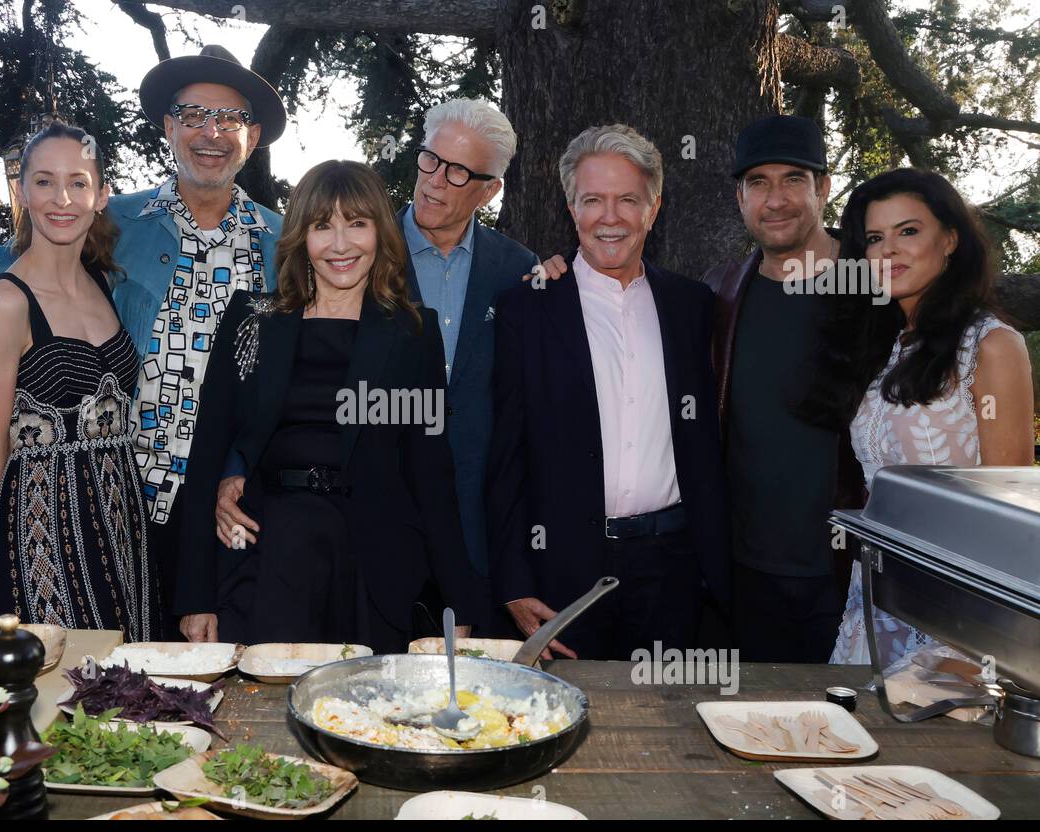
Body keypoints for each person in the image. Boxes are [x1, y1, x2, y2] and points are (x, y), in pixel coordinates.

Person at [0, 46, 287, 633]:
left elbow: (296, 376)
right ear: (169, 127)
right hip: (119, 500)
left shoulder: (283, 244)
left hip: (230, 504)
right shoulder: (112, 221)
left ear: (252, 137)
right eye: (194, 114)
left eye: (230, 119)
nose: (211, 133)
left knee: (226, 678)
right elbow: (23, 261)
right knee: (119, 680)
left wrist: (245, 465)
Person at [214, 98, 538, 640]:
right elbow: (244, 401)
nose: (436, 180)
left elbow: (490, 426)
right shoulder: (323, 271)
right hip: (294, 540)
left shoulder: (516, 272)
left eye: (459, 172)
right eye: (431, 160)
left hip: (434, 529)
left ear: (489, 190)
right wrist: (234, 467)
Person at [175, 160, 486, 650]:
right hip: (266, 555)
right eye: (323, 226)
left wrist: (459, 602)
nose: (340, 245)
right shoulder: (251, 319)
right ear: (302, 237)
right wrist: (196, 597)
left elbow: (431, 475)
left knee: (363, 720)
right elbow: (207, 454)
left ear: (381, 233)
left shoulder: (412, 333)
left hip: (373, 569)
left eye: (357, 224)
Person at [487, 124, 731, 660]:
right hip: (563, 568)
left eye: (628, 200)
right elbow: (504, 456)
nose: (610, 217)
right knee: (563, 723)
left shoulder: (692, 307)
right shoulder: (526, 310)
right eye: (593, 200)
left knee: (671, 729)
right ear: (572, 208)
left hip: (676, 568)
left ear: (655, 207)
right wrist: (513, 581)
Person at [794, 169, 1034, 666]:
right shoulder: (883, 348)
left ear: (949, 239)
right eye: (875, 238)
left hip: (961, 612)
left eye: (909, 231)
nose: (889, 251)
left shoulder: (990, 345)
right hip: (878, 597)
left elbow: (1011, 516)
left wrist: (973, 650)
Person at [0, 123, 157, 641]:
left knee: (127, 690)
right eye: (45, 181)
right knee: (57, 699)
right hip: (39, 536)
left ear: (102, 196)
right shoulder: (3, 302)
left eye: (78, 182)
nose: (62, 199)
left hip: (121, 524)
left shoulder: (104, 284)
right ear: (22, 191)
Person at [700, 115, 865, 662]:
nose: (776, 199)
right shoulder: (720, 293)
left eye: (794, 178)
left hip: (853, 573)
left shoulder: (877, 289)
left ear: (824, 187)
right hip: (743, 580)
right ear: (739, 196)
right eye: (758, 182)